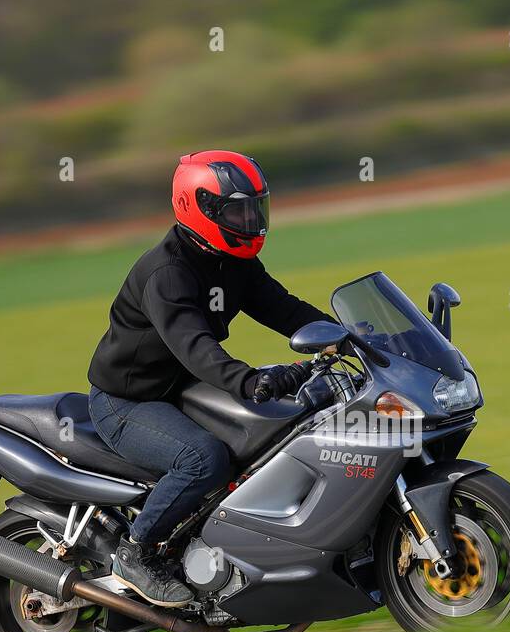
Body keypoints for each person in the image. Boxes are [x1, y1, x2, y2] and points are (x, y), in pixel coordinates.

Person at [87, 149, 330, 607]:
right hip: (128, 401)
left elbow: (284, 309)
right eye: (237, 209)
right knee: (204, 461)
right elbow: (194, 347)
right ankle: (135, 552)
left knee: (269, 435)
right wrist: (248, 381)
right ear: (195, 207)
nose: (251, 219)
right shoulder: (167, 273)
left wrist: (352, 336)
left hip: (180, 389)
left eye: (255, 207)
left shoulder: (230, 261)